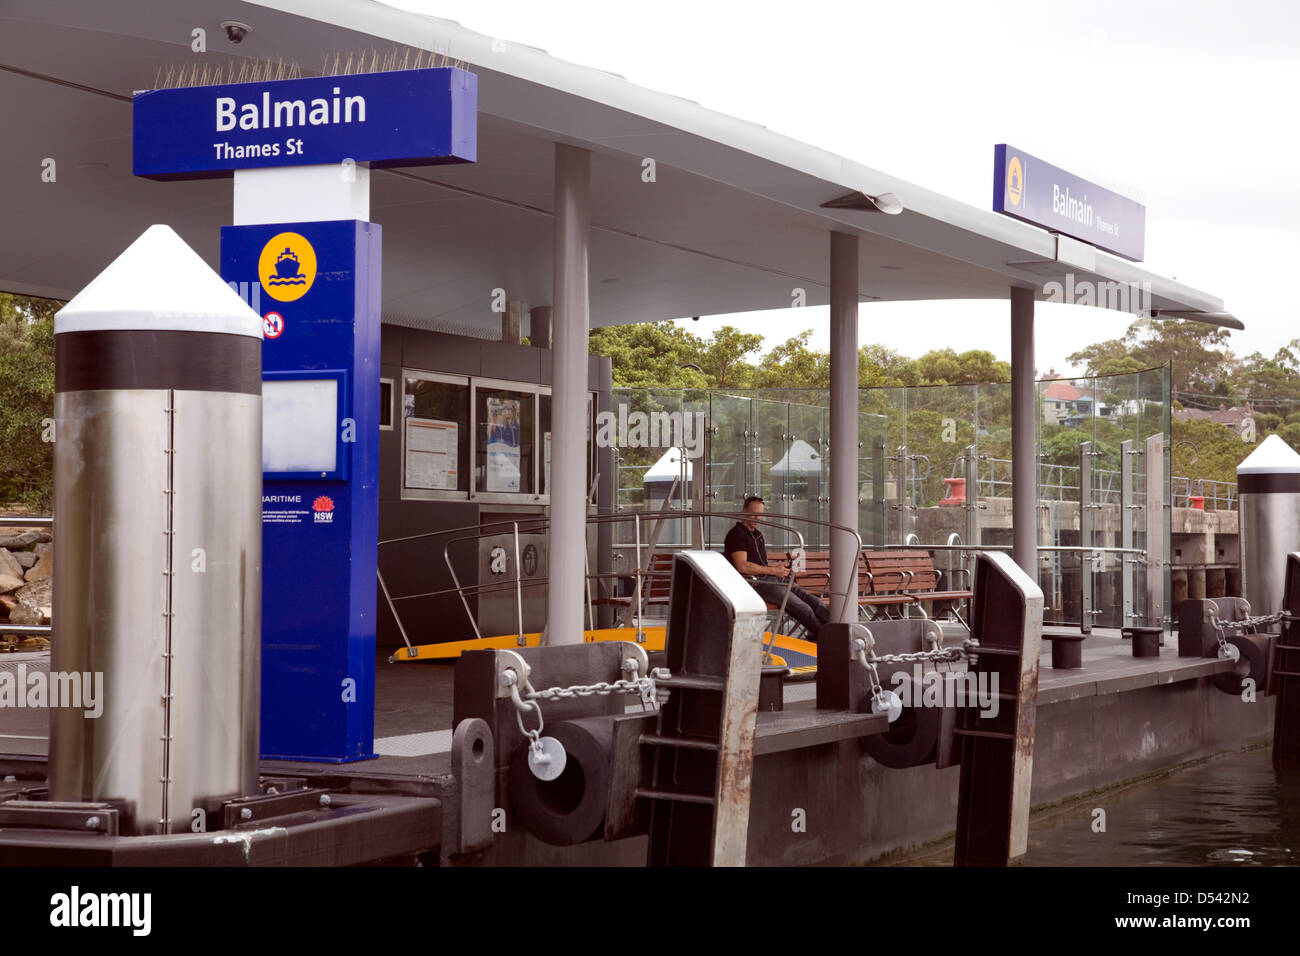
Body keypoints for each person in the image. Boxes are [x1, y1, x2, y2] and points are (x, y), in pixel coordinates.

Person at [724, 495, 829, 639]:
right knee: (803, 608)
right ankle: (828, 639)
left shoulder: (757, 535)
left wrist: (777, 567)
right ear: (744, 511)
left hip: (769, 580)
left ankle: (837, 635)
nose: (757, 518)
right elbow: (742, 566)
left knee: (816, 603)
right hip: (754, 584)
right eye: (753, 514)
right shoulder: (736, 535)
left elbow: (760, 565)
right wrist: (773, 570)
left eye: (760, 514)